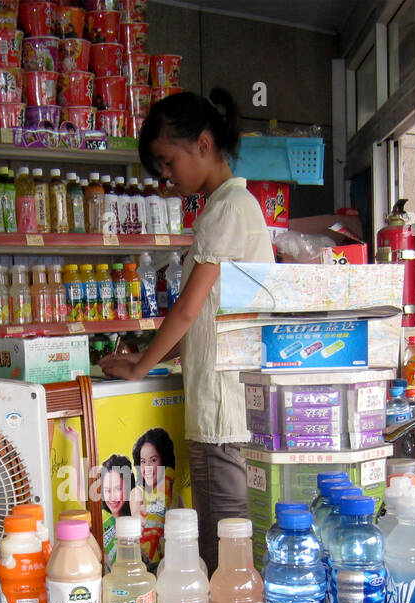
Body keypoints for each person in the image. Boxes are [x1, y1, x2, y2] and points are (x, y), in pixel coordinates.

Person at [101, 88, 275, 574]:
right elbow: (195, 316)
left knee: (225, 550)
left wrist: (140, 364)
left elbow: (185, 309)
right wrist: (145, 355)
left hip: (223, 413)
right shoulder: (231, 208)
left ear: (202, 143)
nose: (165, 176)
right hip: (223, 407)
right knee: (226, 539)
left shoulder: (226, 211)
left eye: (167, 160)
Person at [131, 428, 177, 570]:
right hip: (146, 565)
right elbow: (135, 532)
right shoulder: (137, 494)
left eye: (153, 460)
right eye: (143, 462)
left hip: (172, 563)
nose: (147, 468)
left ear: (164, 460)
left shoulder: (174, 498)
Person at [98, 454, 136, 566]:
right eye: (107, 490)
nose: (112, 497)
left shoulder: (135, 515)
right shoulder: (102, 517)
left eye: (118, 489)